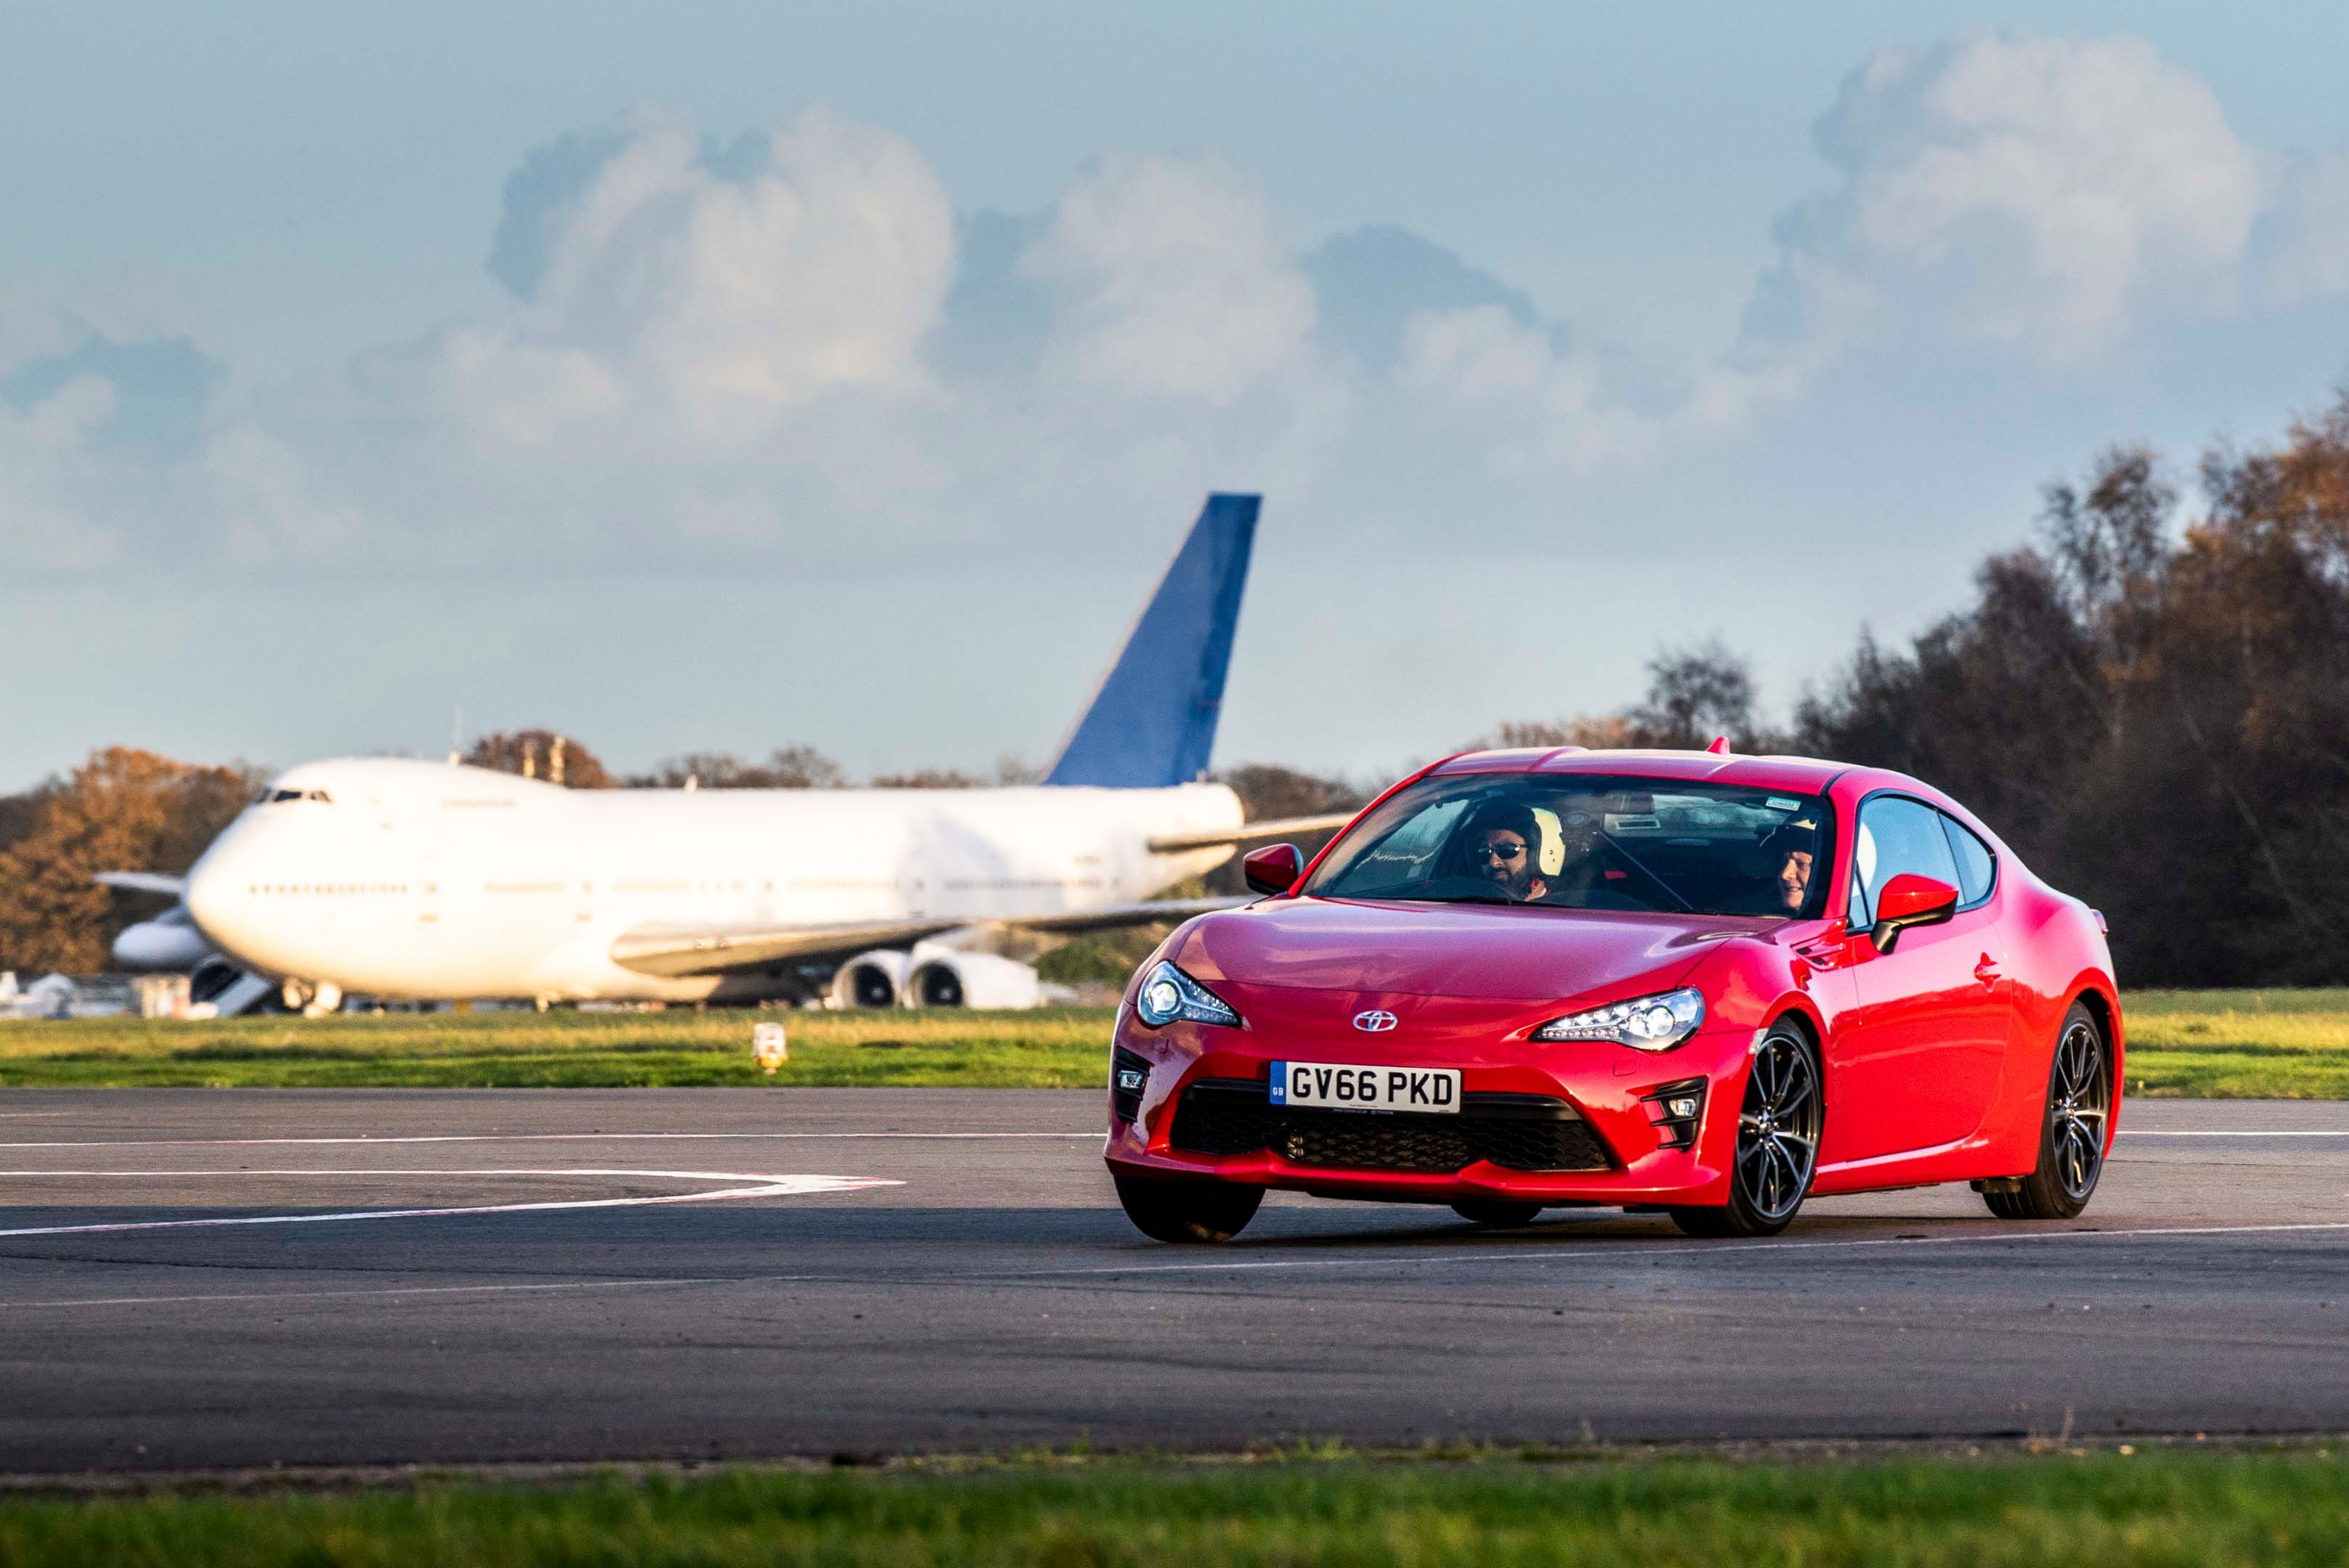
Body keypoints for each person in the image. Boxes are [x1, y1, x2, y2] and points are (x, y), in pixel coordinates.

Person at [1453, 802, 1550, 902]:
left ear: (1537, 855)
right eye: (1484, 853)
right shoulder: (1469, 907)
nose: (1493, 863)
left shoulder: (1562, 908)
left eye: (1506, 850)